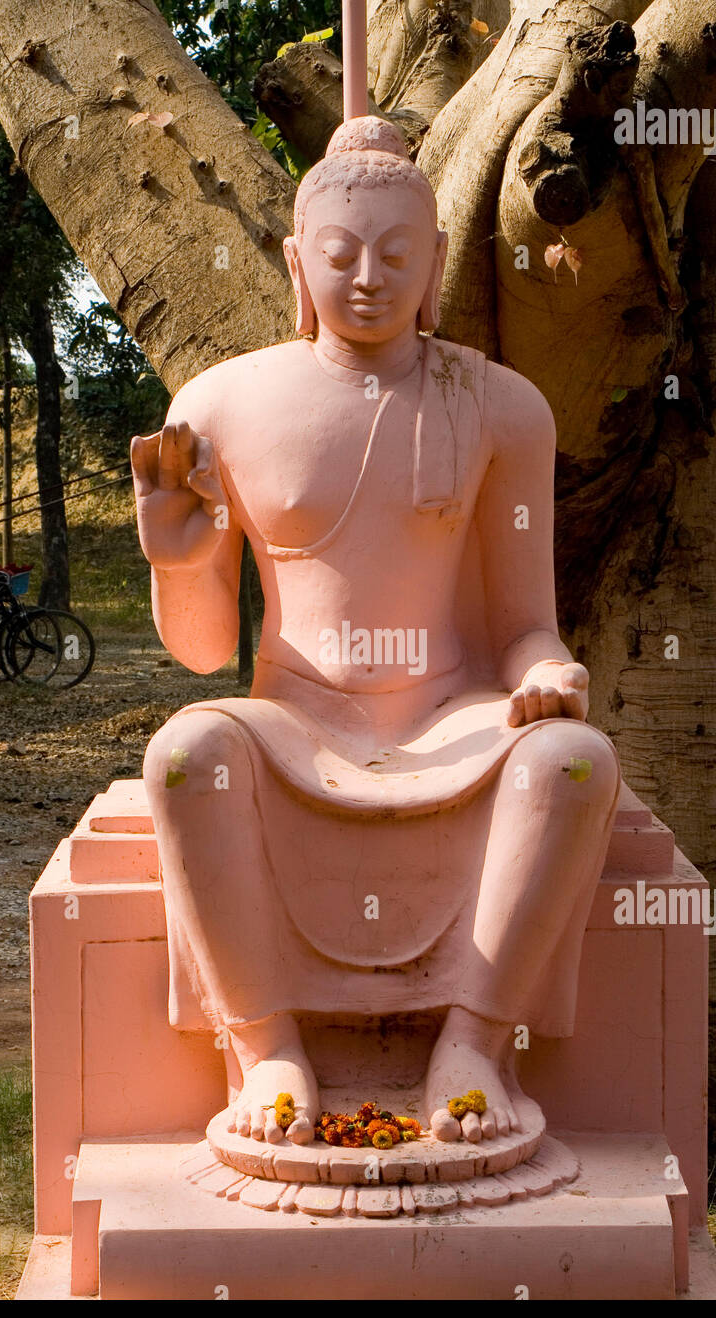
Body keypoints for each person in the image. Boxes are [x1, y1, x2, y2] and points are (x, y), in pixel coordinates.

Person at [132, 117, 621, 1151]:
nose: (368, 277)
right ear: (294, 261)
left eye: (397, 255)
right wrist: (180, 556)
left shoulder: (499, 407)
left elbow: (526, 623)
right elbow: (201, 647)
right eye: (342, 253)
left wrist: (548, 673)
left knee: (574, 762)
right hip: (293, 715)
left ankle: (475, 1042)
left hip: (448, 712)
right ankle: (263, 1046)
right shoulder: (220, 402)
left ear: (436, 263)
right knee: (186, 753)